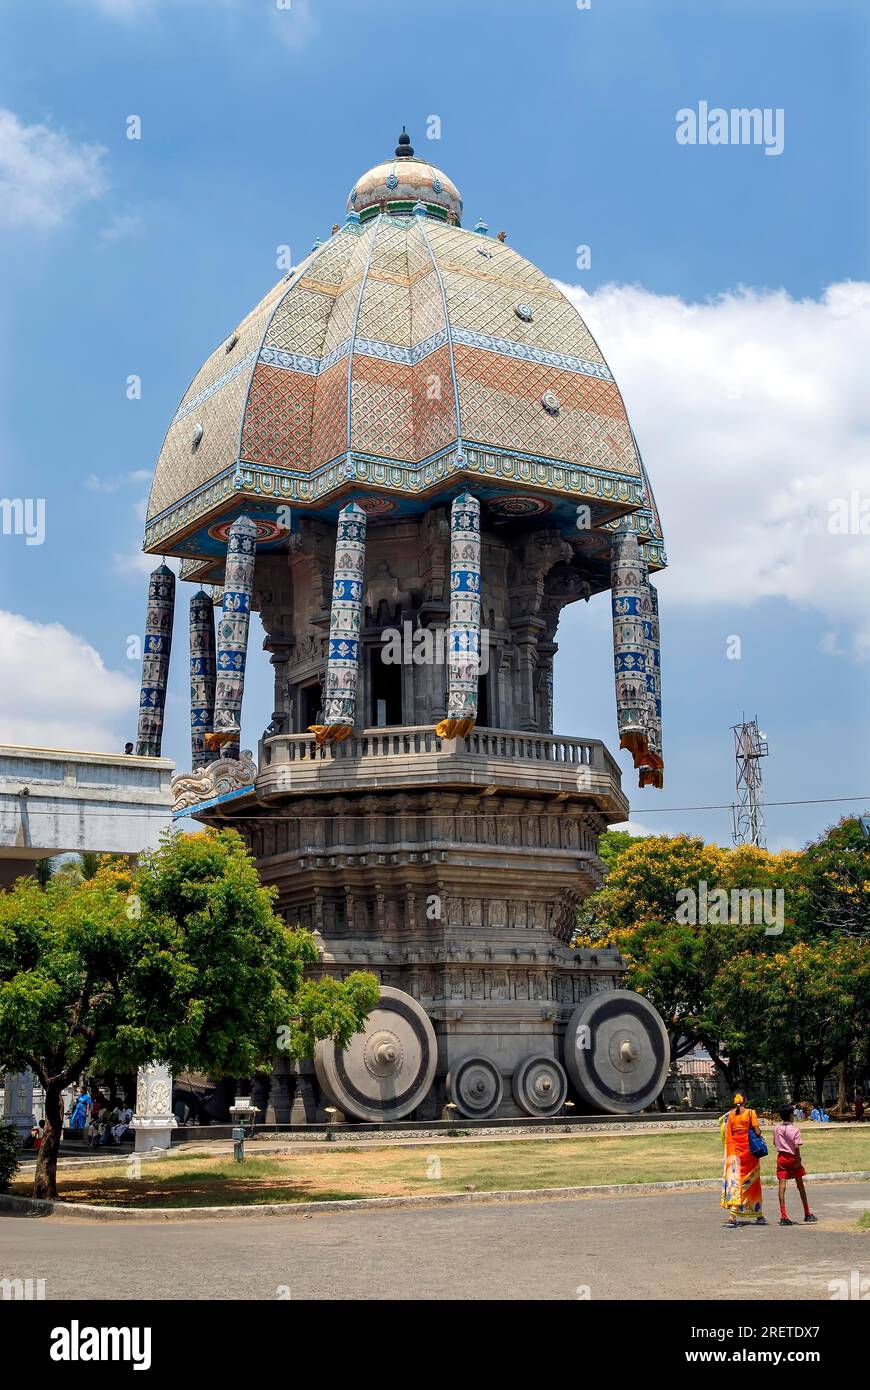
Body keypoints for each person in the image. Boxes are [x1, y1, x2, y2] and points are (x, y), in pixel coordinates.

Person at [721, 1092, 768, 1227]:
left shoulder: (729, 1115)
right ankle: (758, 1215)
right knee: (752, 1183)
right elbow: (758, 1132)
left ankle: (733, 1214)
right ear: (745, 1100)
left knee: (737, 1181)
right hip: (750, 1153)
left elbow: (725, 1133)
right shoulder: (750, 1113)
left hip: (735, 1154)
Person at [773, 1105, 818, 1225]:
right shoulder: (795, 1130)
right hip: (793, 1157)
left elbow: (774, 1143)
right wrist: (798, 1161)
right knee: (800, 1186)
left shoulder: (777, 1128)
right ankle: (807, 1213)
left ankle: (783, 1216)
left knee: (782, 1187)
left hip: (782, 1157)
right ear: (791, 1115)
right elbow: (797, 1146)